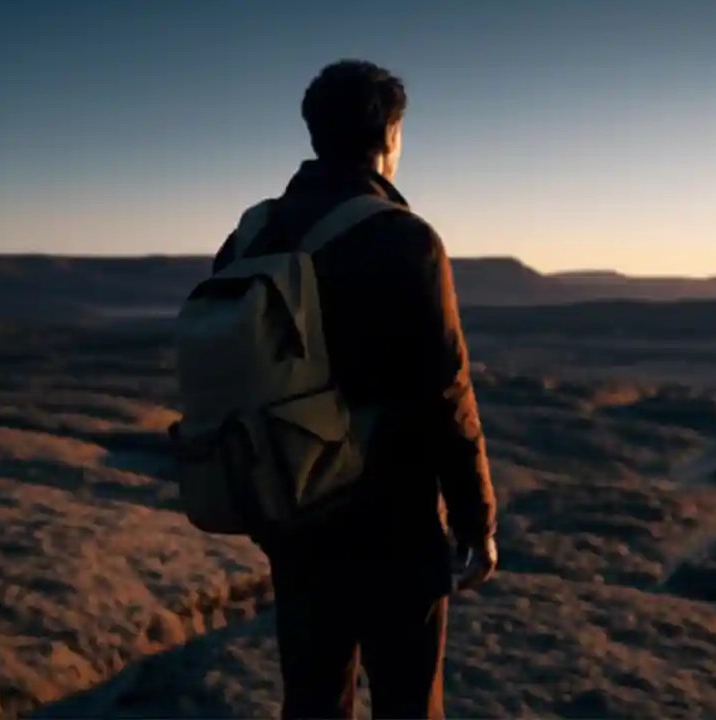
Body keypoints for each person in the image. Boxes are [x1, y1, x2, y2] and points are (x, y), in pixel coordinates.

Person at [210, 59, 498, 720]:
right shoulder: (405, 239)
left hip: (293, 511)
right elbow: (446, 393)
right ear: (390, 136)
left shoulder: (252, 235)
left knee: (312, 702)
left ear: (315, 134)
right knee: (408, 705)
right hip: (393, 519)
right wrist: (476, 521)